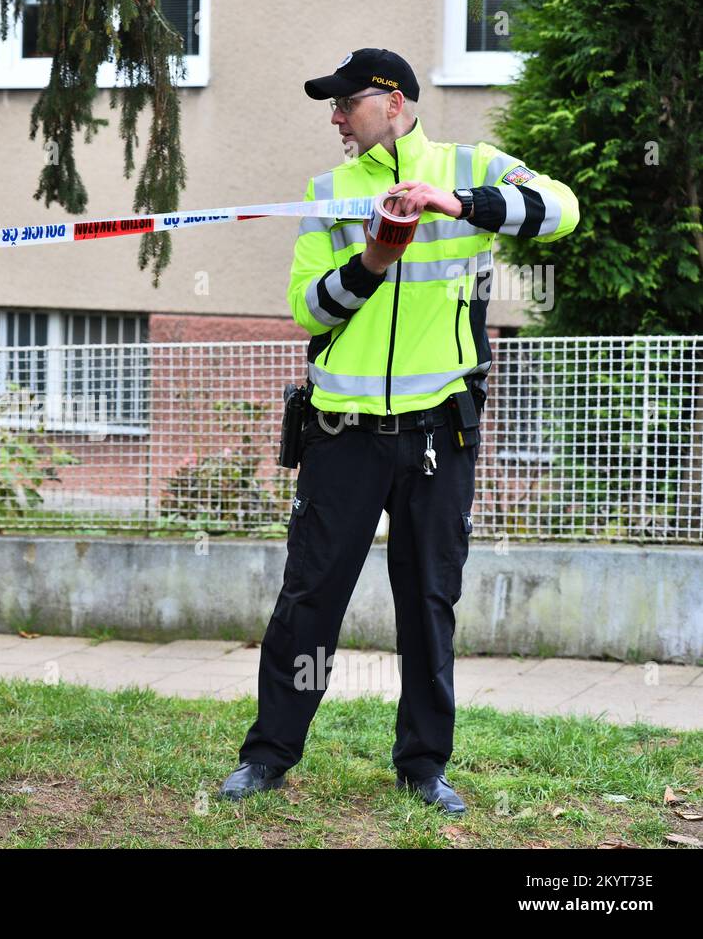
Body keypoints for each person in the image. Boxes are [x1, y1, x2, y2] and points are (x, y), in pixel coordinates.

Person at [219, 50, 578, 812]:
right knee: (310, 601)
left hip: (435, 438)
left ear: (391, 100)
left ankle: (422, 766)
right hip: (342, 435)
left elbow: (560, 208)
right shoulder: (327, 193)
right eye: (333, 105)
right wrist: (374, 259)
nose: (334, 116)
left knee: (428, 602)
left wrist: (461, 203)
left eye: (345, 102)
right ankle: (269, 756)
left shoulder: (471, 164)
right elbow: (308, 309)